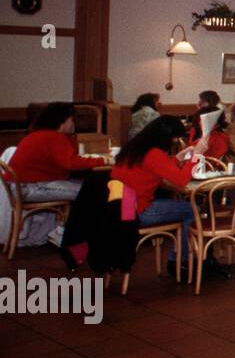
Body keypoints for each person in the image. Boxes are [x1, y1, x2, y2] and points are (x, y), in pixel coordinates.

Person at [111, 116, 200, 273]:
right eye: (174, 139)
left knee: (185, 208)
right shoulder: (154, 154)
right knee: (193, 209)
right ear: (166, 137)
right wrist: (196, 157)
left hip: (120, 209)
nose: (173, 143)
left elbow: (153, 169)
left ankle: (181, 258)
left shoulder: (135, 148)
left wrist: (177, 159)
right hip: (139, 211)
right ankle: (181, 261)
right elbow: (181, 181)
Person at [8, 102, 103, 245]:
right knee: (92, 191)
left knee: (88, 187)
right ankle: (66, 232)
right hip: (31, 188)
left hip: (19, 187)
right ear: (62, 121)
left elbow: (67, 159)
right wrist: (103, 160)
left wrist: (71, 136)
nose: (73, 123)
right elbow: (71, 163)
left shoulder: (38, 135)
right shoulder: (53, 137)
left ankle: (68, 230)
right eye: (71, 119)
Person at [186, 90, 229, 160]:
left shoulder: (217, 138)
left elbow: (194, 160)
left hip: (206, 166)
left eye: (202, 101)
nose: (199, 103)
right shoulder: (219, 136)